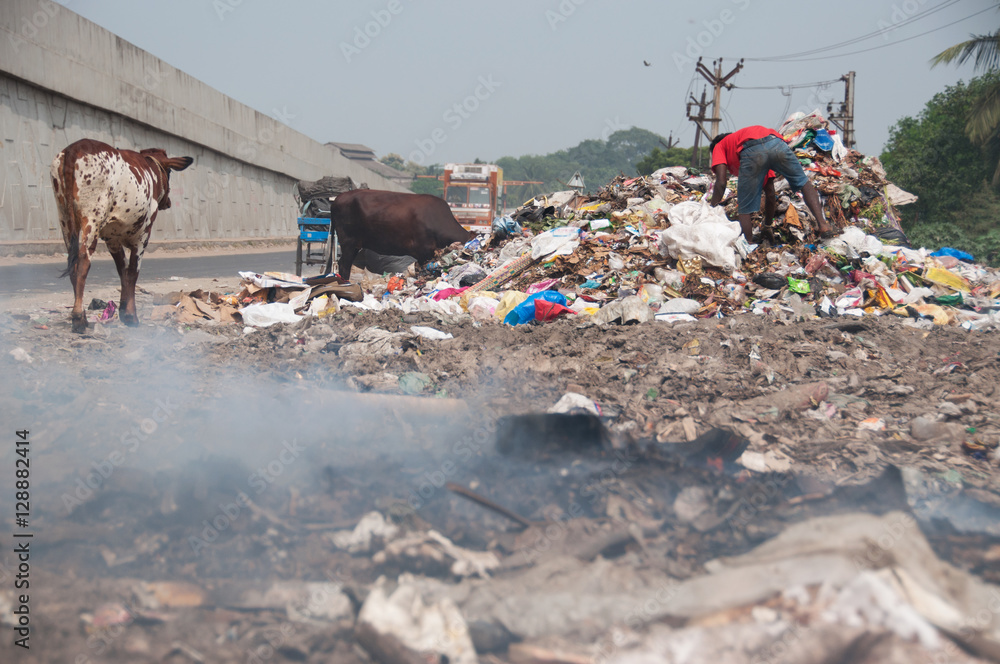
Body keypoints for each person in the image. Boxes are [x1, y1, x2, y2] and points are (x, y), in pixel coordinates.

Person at [708, 126, 835, 242]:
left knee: (744, 206)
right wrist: (767, 225)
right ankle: (823, 225)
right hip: (776, 142)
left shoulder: (719, 146)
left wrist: (711, 210)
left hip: (752, 149)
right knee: (803, 182)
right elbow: (770, 194)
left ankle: (748, 245)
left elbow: (721, 182)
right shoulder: (743, 138)